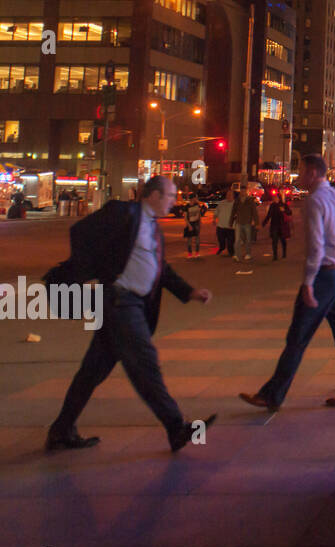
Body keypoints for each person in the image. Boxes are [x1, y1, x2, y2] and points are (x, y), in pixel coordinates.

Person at [45, 175, 216, 453]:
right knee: (145, 364)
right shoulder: (123, 213)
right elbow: (80, 232)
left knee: (92, 372)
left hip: (131, 305)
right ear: (154, 195)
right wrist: (89, 275)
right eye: (171, 196)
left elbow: (162, 271)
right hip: (119, 302)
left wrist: (190, 292)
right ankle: (177, 428)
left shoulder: (153, 229)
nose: (175, 202)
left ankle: (61, 430)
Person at [239, 154, 335, 412]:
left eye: (300, 171)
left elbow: (316, 247)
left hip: (323, 277)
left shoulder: (315, 201)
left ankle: (272, 395)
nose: (298, 176)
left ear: (312, 173)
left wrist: (308, 283)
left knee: (298, 335)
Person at [233, 187, 259, 262]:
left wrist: (256, 222)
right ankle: (237, 255)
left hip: (247, 222)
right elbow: (233, 211)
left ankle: (248, 253)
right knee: (237, 239)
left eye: (244, 191)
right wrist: (231, 221)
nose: (242, 193)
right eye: (241, 191)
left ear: (246, 192)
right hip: (239, 221)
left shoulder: (250, 200)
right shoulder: (237, 201)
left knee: (247, 239)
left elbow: (254, 212)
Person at [262, 194, 290, 260]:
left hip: (282, 225)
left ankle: (284, 253)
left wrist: (284, 210)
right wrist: (264, 222)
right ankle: (275, 256)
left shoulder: (283, 205)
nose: (274, 199)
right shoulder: (272, 205)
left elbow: (289, 212)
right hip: (274, 225)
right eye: (273, 198)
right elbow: (269, 215)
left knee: (283, 240)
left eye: (275, 197)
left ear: (278, 198)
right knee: (274, 241)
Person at [214, 188, 236, 256]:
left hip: (231, 227)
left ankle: (232, 252)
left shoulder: (236, 204)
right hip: (221, 226)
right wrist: (214, 219)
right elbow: (216, 212)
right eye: (227, 195)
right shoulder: (222, 203)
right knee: (221, 240)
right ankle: (222, 248)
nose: (228, 196)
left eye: (230, 195)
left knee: (230, 242)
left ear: (233, 196)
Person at [183, 192, 204, 257]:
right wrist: (189, 225)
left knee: (197, 239)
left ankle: (197, 253)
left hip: (196, 223)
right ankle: (190, 253)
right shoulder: (186, 206)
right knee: (189, 240)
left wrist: (200, 221)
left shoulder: (197, 204)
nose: (196, 199)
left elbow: (199, 214)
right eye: (196, 197)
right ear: (192, 198)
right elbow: (185, 217)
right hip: (190, 223)